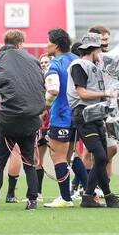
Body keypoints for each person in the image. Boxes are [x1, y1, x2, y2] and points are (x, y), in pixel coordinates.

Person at [0, 30, 47, 210]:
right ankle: (32, 201)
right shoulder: (33, 60)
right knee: (29, 163)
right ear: (20, 44)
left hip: (8, 120)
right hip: (31, 119)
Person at [72, 31, 119, 208]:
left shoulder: (94, 66)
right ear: (93, 49)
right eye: (100, 49)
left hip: (95, 114)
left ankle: (107, 196)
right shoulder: (79, 65)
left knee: (101, 157)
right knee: (101, 157)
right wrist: (105, 93)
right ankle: (89, 196)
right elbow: (82, 93)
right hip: (84, 114)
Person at [41, 28, 78, 209]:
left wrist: (44, 106)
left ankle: (65, 198)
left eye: (48, 41)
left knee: (59, 157)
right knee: (71, 156)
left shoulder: (55, 64)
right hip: (77, 116)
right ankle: (87, 193)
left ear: (56, 45)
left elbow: (53, 89)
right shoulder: (78, 60)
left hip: (61, 115)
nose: (46, 44)